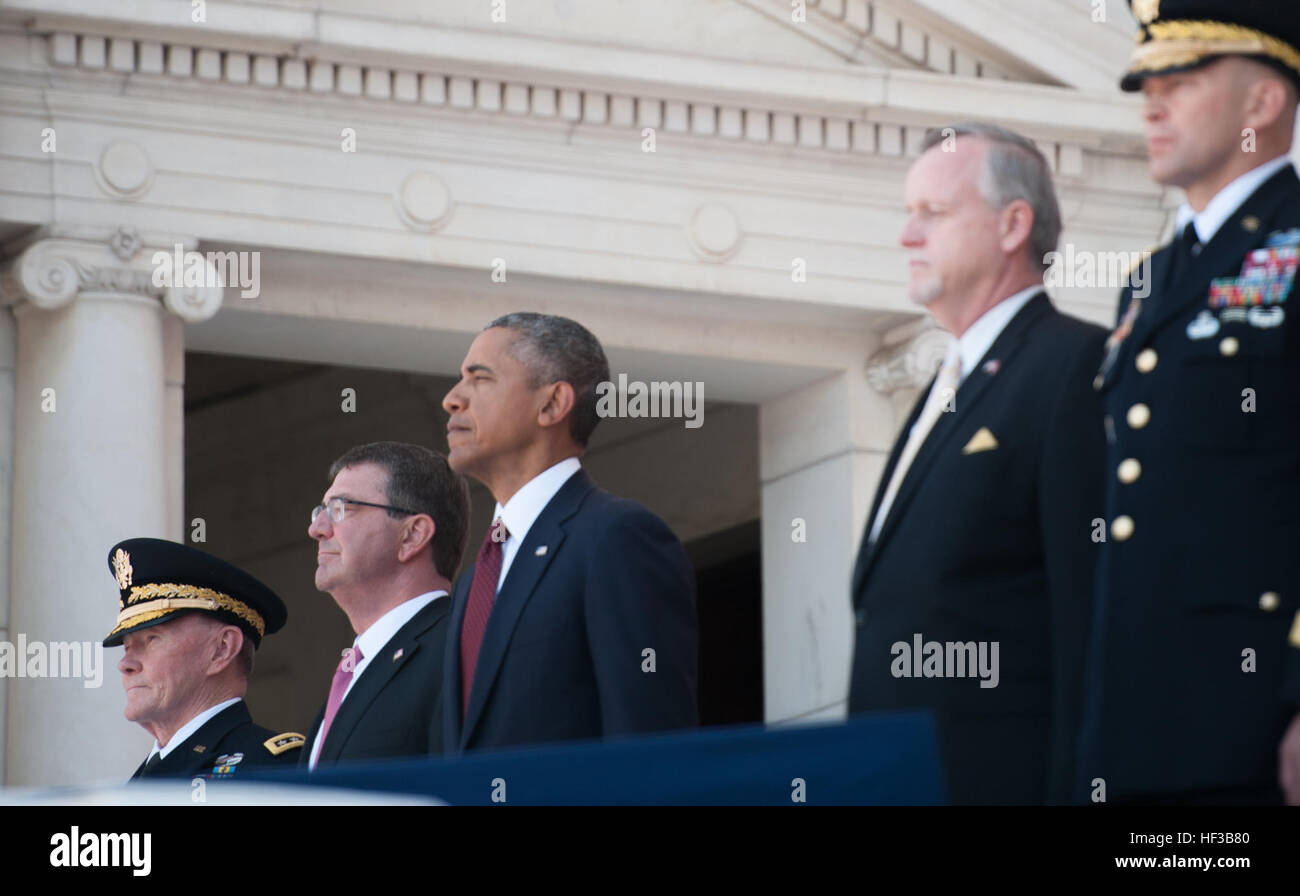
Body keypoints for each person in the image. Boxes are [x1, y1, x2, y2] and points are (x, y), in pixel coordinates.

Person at [1077, 0, 1300, 805]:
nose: (1153, 101)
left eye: (1184, 77)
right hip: (1137, 732)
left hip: (1254, 728)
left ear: (1263, 102)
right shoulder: (1149, 281)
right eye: (1146, 81)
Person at [847, 123, 1108, 804]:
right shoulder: (948, 380)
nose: (907, 235)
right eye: (908, 213)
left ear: (1013, 224)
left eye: (932, 213)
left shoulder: (1073, 367)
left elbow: (1088, 613)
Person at [439, 312, 698, 754]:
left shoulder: (617, 538)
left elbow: (650, 748)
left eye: (479, 379)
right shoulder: (470, 584)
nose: (451, 399)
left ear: (553, 404)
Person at [304, 441, 470, 767]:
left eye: (341, 508)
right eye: (320, 511)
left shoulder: (460, 647)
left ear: (412, 535)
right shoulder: (357, 669)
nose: (317, 529)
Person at [105, 537, 304, 780]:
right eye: (126, 647)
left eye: (151, 640)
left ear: (221, 649)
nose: (125, 664)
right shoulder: (143, 778)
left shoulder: (272, 770)